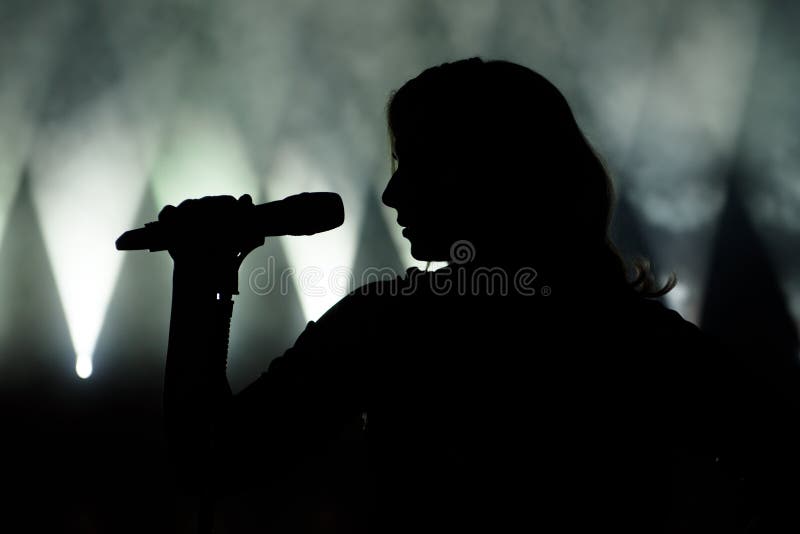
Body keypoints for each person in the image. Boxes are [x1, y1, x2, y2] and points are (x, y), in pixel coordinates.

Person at [160, 58, 746, 533]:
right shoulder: (637, 338)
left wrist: (202, 275)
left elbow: (214, 456)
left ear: (485, 170)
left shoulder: (393, 324)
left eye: (413, 164)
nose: (391, 195)